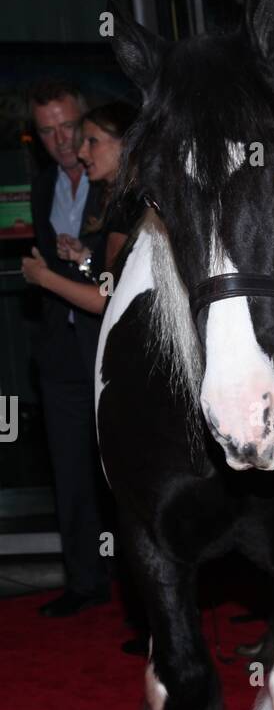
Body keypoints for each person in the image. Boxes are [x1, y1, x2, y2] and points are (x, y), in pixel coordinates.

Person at [24, 93, 139, 616]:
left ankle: (137, 588)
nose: (65, 141)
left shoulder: (123, 192)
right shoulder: (47, 184)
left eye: (73, 128)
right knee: (70, 471)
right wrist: (85, 259)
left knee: (124, 472)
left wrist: (48, 276)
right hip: (60, 348)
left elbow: (110, 289)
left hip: (110, 348)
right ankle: (86, 580)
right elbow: (107, 270)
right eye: (48, 132)